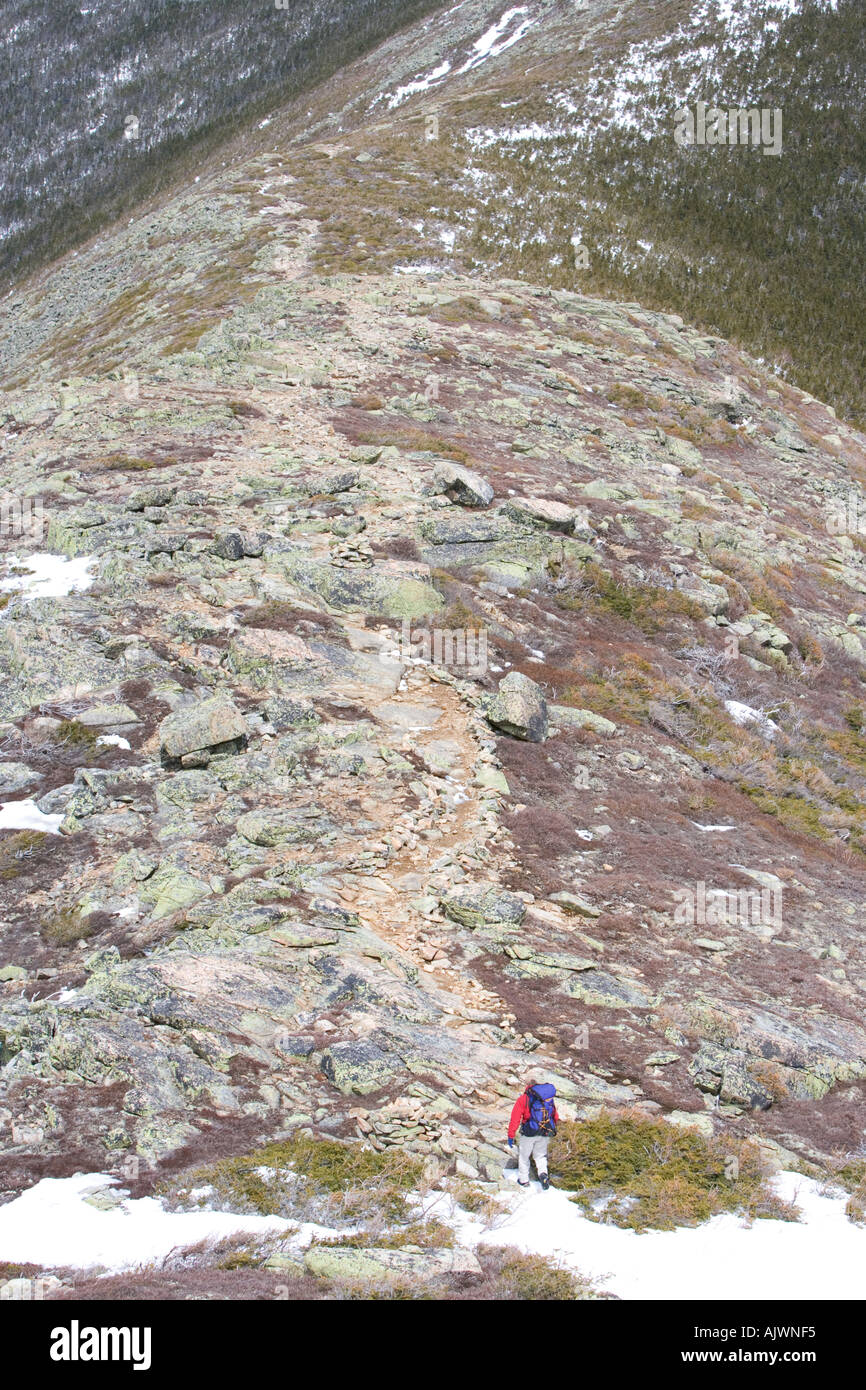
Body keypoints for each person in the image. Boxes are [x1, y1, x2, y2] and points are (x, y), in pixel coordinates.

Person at [507, 1077, 559, 1189]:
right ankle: (543, 1174)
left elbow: (515, 1119)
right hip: (544, 1131)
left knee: (524, 1156)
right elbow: (555, 1116)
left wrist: (511, 1135)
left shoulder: (524, 1099)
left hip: (529, 1132)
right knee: (540, 1156)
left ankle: (524, 1180)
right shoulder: (547, 1098)